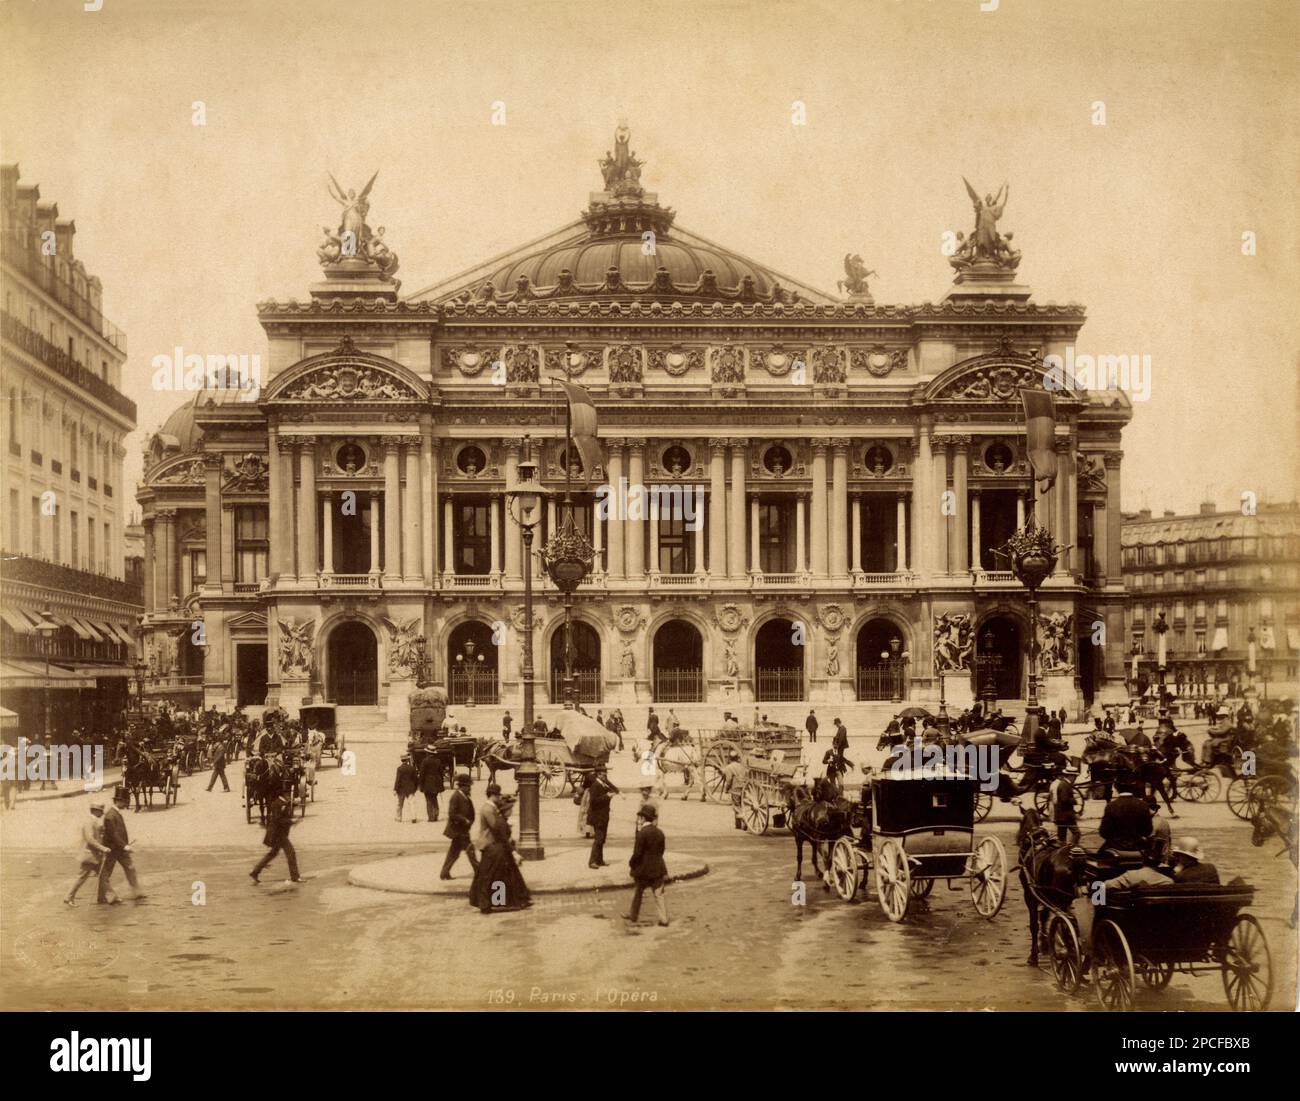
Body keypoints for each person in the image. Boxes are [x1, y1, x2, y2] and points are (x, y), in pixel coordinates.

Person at [469, 789, 530, 912]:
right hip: (491, 846)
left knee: (497, 876)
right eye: (497, 795)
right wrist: (512, 849)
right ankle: (486, 904)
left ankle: (501, 901)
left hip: (495, 846)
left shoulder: (494, 811)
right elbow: (497, 830)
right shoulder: (489, 810)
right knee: (489, 877)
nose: (499, 797)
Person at [97, 787, 145, 903]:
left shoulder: (115, 813)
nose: (126, 803)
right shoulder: (110, 816)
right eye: (124, 801)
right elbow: (113, 834)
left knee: (130, 868)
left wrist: (124, 845)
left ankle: (137, 892)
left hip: (120, 849)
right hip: (112, 850)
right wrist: (125, 846)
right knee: (106, 873)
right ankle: (102, 897)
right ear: (118, 801)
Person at [625, 803, 669, 926]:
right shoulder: (660, 833)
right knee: (659, 894)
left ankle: (633, 916)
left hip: (643, 870)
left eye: (640, 818)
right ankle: (664, 919)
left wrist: (631, 863)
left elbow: (637, 853)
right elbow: (661, 851)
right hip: (657, 869)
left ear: (643, 818)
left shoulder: (642, 834)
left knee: (638, 892)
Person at [65, 798, 109, 905]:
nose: (102, 813)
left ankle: (107, 897)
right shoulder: (89, 822)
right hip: (89, 856)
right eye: (100, 811)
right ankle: (68, 897)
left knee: (104, 876)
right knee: (82, 877)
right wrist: (103, 848)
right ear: (95, 811)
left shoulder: (94, 821)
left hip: (94, 856)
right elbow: (90, 839)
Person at [251, 789, 300, 884]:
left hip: (277, 833)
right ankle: (295, 877)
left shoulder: (281, 803)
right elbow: (278, 820)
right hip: (279, 834)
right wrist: (291, 821)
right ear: (284, 795)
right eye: (288, 794)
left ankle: (255, 872)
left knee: (272, 854)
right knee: (291, 853)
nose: (290, 796)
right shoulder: (278, 804)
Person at [440, 773, 479, 880]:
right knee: (470, 850)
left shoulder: (465, 796)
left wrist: (470, 821)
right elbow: (452, 813)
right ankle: (478, 871)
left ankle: (444, 873)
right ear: (462, 786)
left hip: (462, 830)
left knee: (454, 853)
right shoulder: (456, 796)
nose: (470, 788)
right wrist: (464, 820)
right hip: (458, 830)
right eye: (468, 786)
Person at [1098, 783, 1153, 853]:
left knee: (1097, 858)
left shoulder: (1111, 806)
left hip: (1116, 846)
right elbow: (1148, 831)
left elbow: (1104, 832)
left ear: (1116, 787)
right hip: (1137, 846)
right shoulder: (1143, 805)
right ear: (1134, 787)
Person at [586, 767, 619, 868]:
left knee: (602, 839)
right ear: (599, 775)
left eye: (606, 775)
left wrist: (613, 792)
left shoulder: (602, 784)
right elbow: (593, 802)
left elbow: (611, 789)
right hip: (598, 817)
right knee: (599, 839)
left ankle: (599, 860)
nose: (605, 777)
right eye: (604, 775)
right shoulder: (595, 786)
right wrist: (607, 796)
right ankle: (592, 862)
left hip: (603, 816)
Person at [1050, 768, 1081, 846]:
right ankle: (1072, 849)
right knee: (1076, 833)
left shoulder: (1063, 784)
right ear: (1070, 776)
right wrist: (1075, 801)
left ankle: (1062, 851)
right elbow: (1064, 800)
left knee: (1061, 838)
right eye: (1075, 776)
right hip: (1066, 816)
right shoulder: (1065, 785)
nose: (1075, 778)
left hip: (1061, 816)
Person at [722, 750, 747, 829]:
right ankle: (738, 824)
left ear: (730, 759)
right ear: (737, 758)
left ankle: (744, 820)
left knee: (736, 805)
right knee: (741, 804)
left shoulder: (729, 767)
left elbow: (729, 780)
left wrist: (726, 789)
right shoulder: (742, 766)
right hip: (744, 787)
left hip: (735, 787)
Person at [418, 750, 444, 823]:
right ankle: (436, 815)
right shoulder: (438, 761)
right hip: (436, 783)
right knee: (435, 799)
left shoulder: (425, 761)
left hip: (427, 783)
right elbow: (441, 773)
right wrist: (441, 783)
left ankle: (431, 817)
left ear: (428, 753)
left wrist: (421, 784)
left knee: (428, 800)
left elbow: (422, 774)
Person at [1146, 796, 1171, 866]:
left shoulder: (1154, 822)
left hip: (1156, 858)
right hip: (1164, 856)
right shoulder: (1163, 820)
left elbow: (1148, 838)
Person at [394, 754, 418, 823]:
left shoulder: (399, 769)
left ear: (401, 760)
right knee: (412, 803)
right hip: (410, 789)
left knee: (400, 804)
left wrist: (395, 789)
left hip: (401, 789)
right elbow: (416, 779)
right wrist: (415, 788)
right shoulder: (412, 768)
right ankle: (414, 817)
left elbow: (397, 780)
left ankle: (398, 818)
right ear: (407, 760)